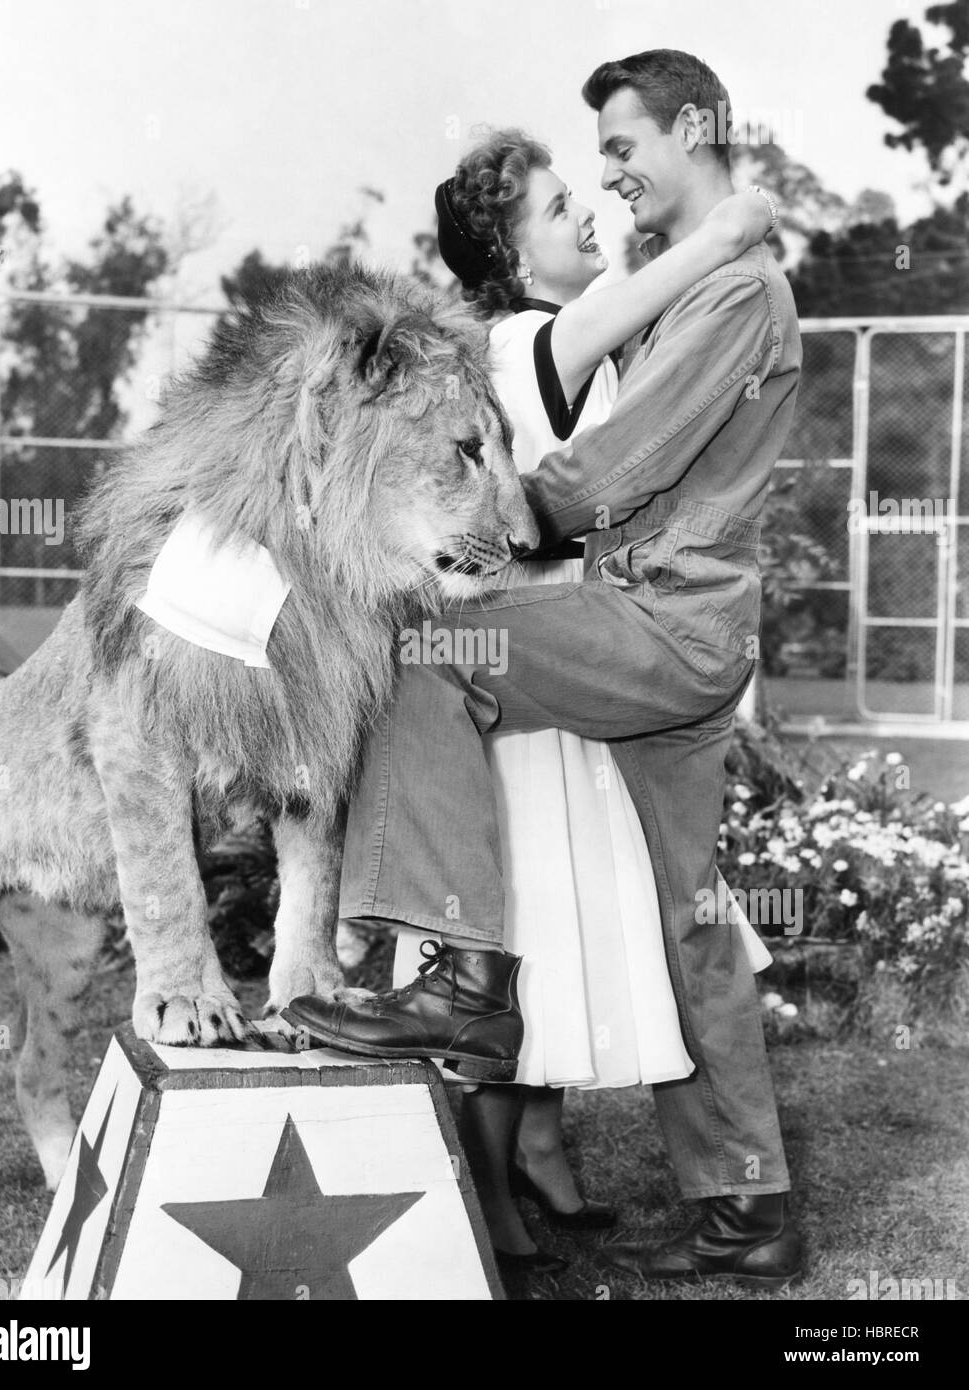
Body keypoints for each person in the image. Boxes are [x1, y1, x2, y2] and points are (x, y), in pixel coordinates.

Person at [285, 49, 804, 1289]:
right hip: (663, 628)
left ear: (693, 128)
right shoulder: (687, 287)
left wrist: (506, 508)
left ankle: (462, 976)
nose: (609, 176)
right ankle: (749, 1209)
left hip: (660, 623)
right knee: (695, 926)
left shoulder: (731, 294)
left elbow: (610, 467)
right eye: (591, 167)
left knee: (431, 655)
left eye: (621, 147)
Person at [387, 128, 774, 1275]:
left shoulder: (577, 330)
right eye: (560, 209)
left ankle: (536, 1165)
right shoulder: (521, 339)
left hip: (559, 652)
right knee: (522, 926)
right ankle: (494, 1188)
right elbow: (640, 288)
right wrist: (724, 227)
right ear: (509, 256)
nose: (586, 219)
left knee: (552, 928)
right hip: (526, 656)